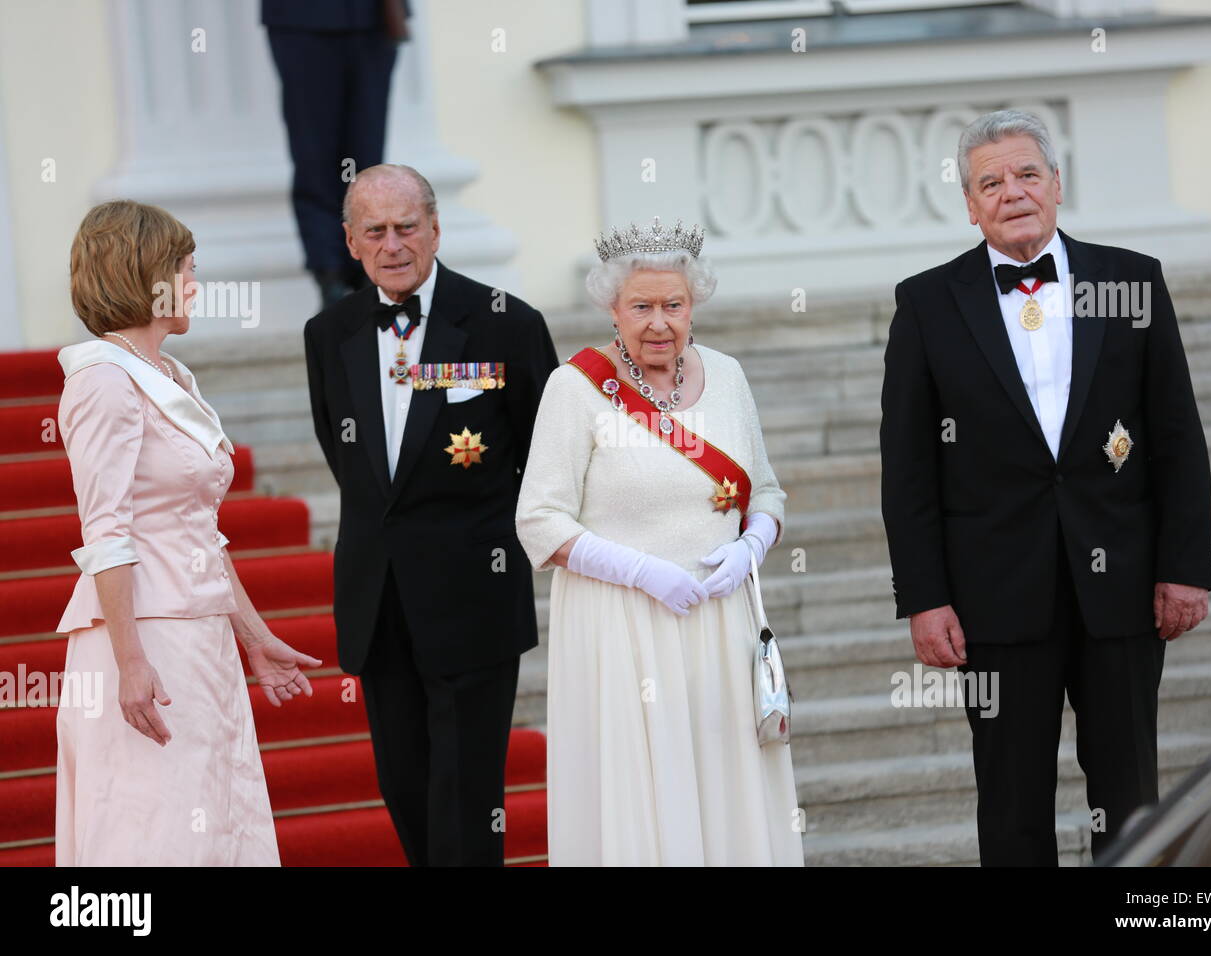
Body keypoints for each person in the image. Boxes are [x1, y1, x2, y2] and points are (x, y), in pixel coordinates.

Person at [879, 110, 1211, 866]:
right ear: (969, 205)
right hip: (993, 597)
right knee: (1011, 802)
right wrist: (924, 597)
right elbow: (907, 468)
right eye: (990, 182)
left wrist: (1186, 566)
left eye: (1027, 174)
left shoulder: (1132, 280)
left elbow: (1176, 435)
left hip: (1123, 588)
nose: (1012, 192)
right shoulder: (927, 303)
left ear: (1058, 185)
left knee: (1129, 797)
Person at [515, 216, 804, 866]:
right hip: (622, 626)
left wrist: (749, 549)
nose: (658, 322)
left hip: (721, 623)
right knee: (645, 793)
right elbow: (539, 520)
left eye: (672, 304)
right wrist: (642, 572)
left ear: (692, 304)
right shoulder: (575, 388)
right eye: (640, 306)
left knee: (725, 786)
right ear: (611, 309)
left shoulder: (727, 376)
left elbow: (768, 493)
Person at [302, 164, 558, 866]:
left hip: (474, 592)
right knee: (404, 783)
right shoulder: (328, 333)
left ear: (436, 229)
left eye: (407, 227)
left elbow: (547, 460)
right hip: (377, 597)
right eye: (375, 231)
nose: (393, 244)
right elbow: (350, 462)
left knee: (470, 793)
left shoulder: (508, 323)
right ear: (351, 242)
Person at [55, 199, 322, 866]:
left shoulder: (173, 376)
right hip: (148, 639)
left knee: (217, 822)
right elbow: (107, 530)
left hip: (200, 636)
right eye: (187, 269)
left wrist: (255, 638)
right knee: (158, 830)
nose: (197, 285)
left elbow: (201, 528)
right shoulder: (103, 383)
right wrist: (131, 660)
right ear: (147, 276)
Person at [262, 0, 411, 305]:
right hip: (301, 20)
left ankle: (370, 271)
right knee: (313, 156)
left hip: (372, 17)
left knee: (367, 160)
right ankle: (329, 275)